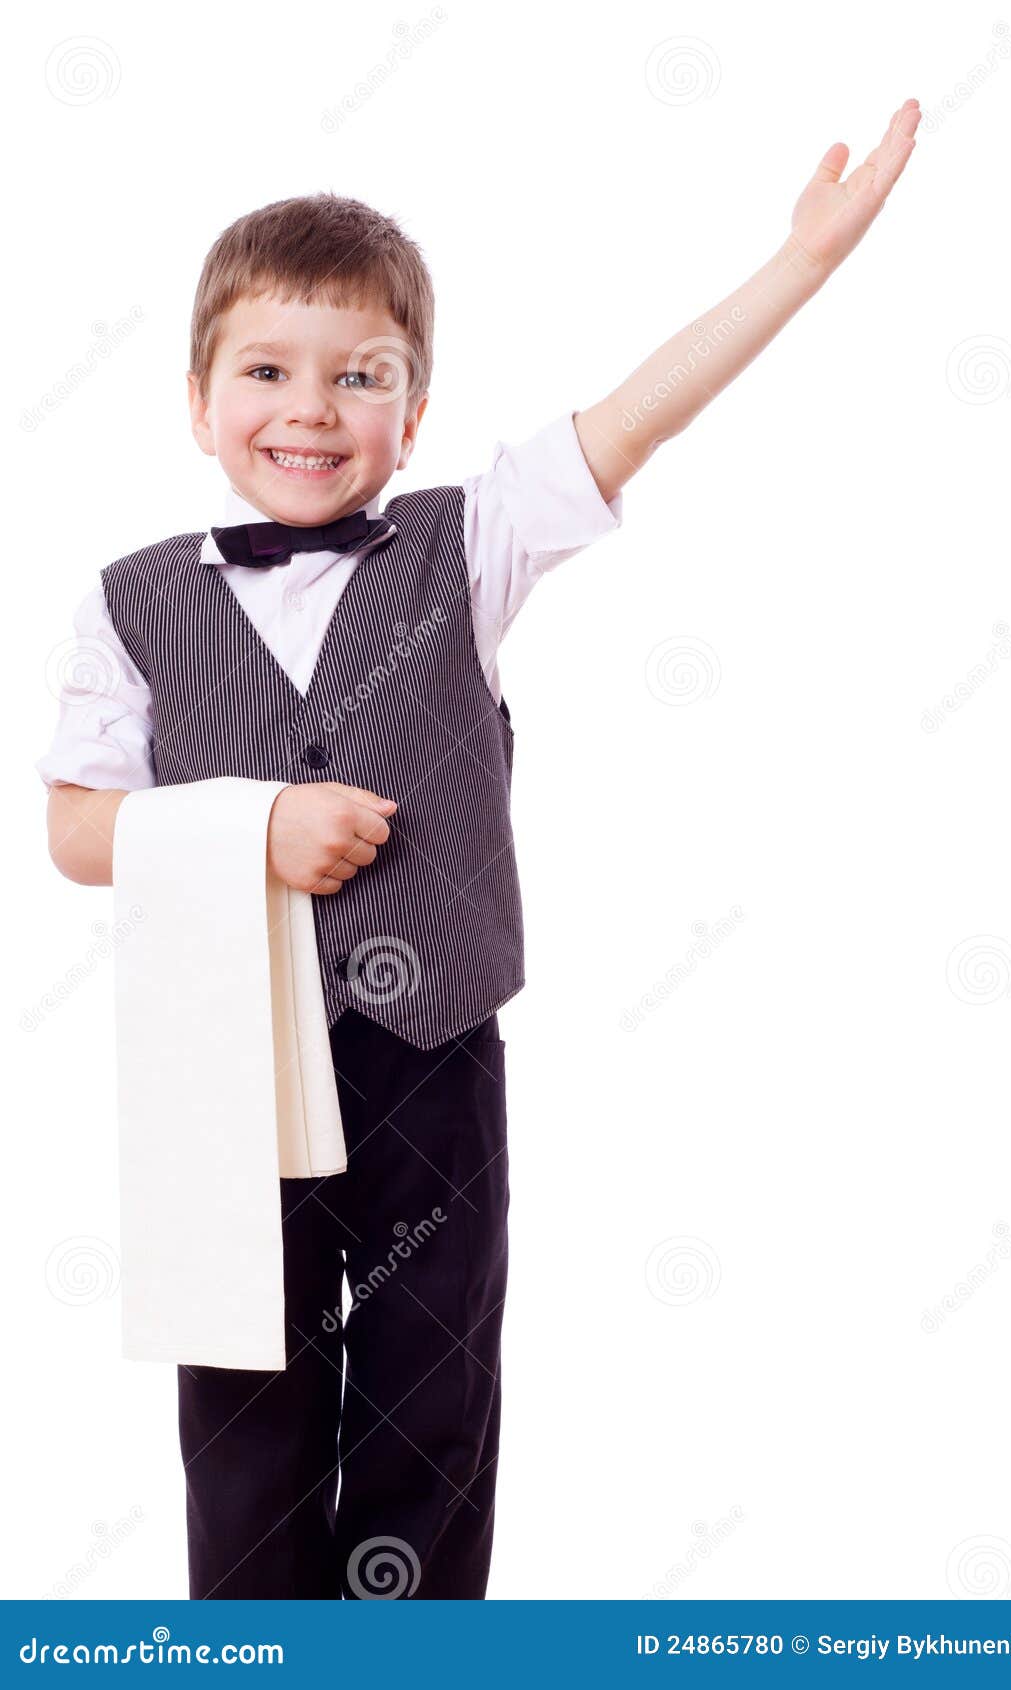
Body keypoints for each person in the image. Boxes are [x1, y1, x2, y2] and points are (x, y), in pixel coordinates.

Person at [37, 99, 921, 1599]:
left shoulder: (471, 546)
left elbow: (636, 413)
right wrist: (257, 824)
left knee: (428, 1402)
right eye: (266, 371)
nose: (310, 410)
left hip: (427, 1057)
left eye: (358, 377)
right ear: (197, 400)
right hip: (223, 1061)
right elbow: (73, 832)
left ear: (413, 412)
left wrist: (803, 266)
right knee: (240, 1405)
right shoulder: (129, 605)